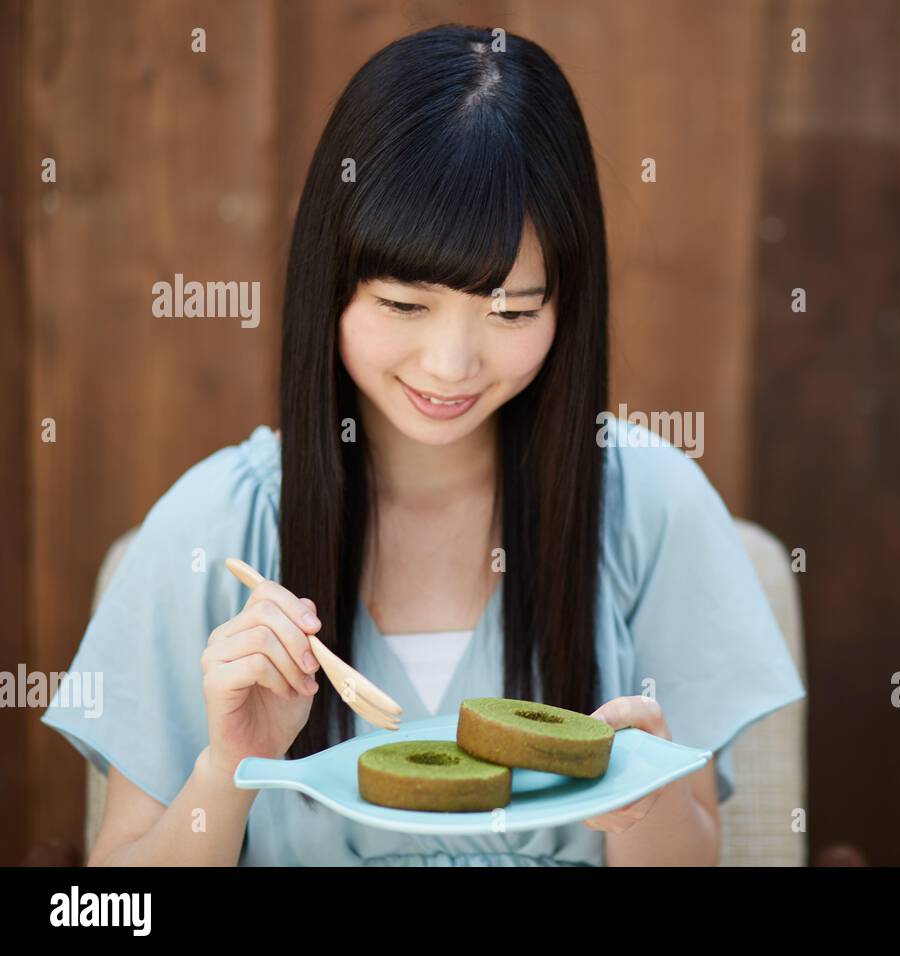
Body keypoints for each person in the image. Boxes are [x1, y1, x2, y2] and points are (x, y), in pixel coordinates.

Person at [41, 23, 805, 866]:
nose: (451, 366)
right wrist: (231, 767)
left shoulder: (651, 508)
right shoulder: (216, 525)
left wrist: (641, 793)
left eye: (512, 312)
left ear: (568, 305)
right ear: (328, 284)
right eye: (405, 305)